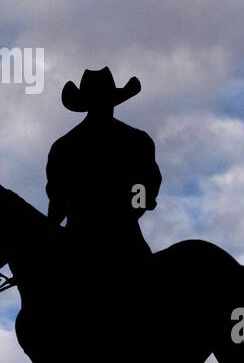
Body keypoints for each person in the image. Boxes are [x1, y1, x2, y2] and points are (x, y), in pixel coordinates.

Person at [45, 66, 161, 295]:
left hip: (85, 235)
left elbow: (57, 198)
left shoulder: (64, 146)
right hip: (121, 235)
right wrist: (131, 211)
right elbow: (148, 185)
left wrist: (53, 227)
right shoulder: (136, 140)